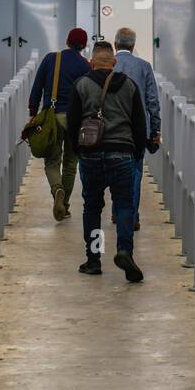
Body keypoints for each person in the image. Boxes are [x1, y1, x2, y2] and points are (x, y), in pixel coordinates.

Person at [67, 41, 147, 283]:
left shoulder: (81, 85)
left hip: (91, 155)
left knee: (92, 207)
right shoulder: (129, 86)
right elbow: (139, 124)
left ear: (91, 63)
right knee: (124, 205)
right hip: (122, 154)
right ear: (114, 63)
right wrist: (138, 154)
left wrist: (77, 151)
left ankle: (94, 260)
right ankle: (125, 251)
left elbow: (72, 124)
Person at [28, 27, 91, 221]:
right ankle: (64, 205)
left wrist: (33, 112)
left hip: (53, 118)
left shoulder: (51, 59)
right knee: (71, 163)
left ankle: (57, 190)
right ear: (84, 45)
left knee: (52, 161)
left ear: (67, 41)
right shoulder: (85, 66)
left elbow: (37, 87)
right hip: (75, 119)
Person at [112, 27, 160, 232]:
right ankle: (131, 216)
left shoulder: (109, 66)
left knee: (115, 171)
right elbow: (152, 102)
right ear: (133, 45)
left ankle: (117, 212)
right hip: (138, 130)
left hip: (113, 129)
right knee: (134, 173)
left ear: (115, 44)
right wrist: (155, 130)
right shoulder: (144, 67)